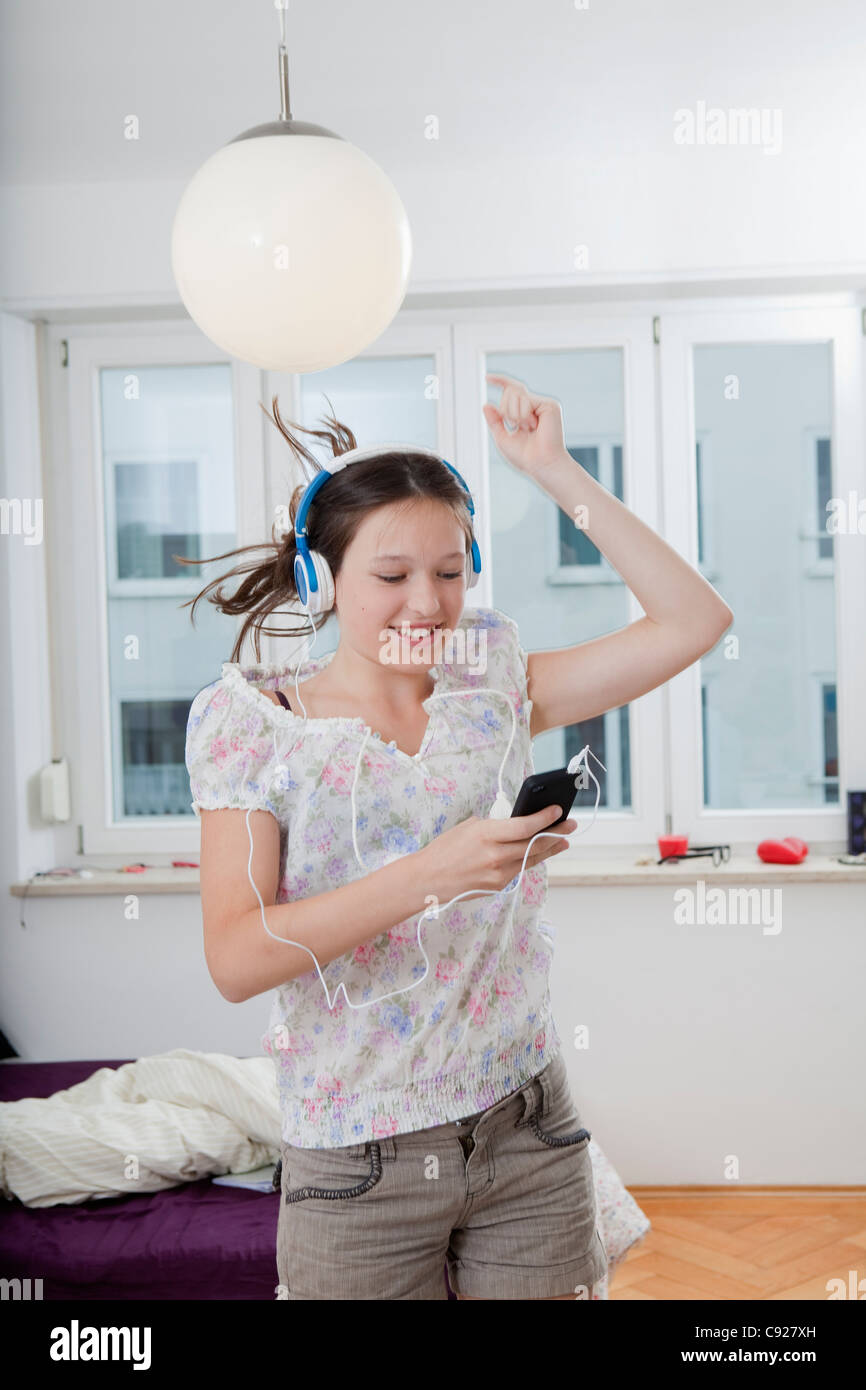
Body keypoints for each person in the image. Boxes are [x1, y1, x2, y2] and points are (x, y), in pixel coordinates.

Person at [182, 375, 733, 1300]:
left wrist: (556, 472)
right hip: (356, 1156)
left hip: (527, 1125)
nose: (427, 605)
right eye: (392, 576)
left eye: (449, 571)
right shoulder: (255, 727)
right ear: (322, 577)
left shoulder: (492, 687)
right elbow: (238, 958)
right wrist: (431, 874)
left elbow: (695, 621)